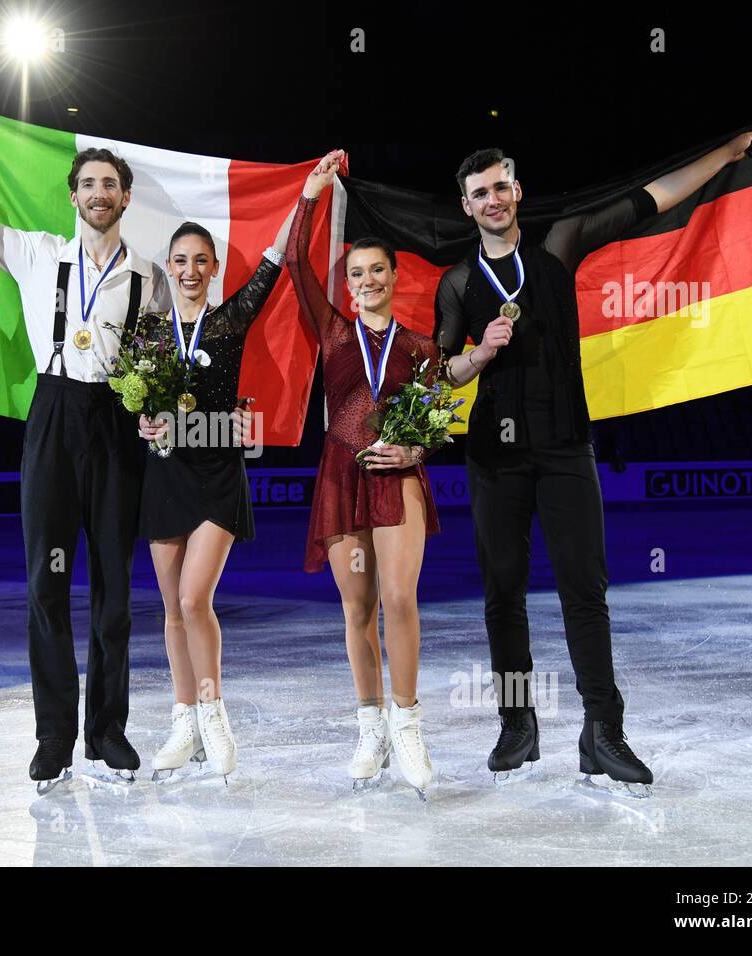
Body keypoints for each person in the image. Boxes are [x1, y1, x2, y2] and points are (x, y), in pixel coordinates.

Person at [436, 123, 752, 793]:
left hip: (564, 447)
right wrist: (480, 352)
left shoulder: (560, 244)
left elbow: (655, 196)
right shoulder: (458, 281)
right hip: (495, 459)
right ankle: (516, 724)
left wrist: (728, 153)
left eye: (503, 186)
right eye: (481, 193)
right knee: (503, 596)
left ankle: (603, 733)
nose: (495, 199)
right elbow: (445, 370)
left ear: (517, 191)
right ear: (467, 207)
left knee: (585, 593)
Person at [0, 97, 169, 790]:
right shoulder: (36, 253)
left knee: (116, 591)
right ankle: (55, 736)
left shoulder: (148, 277)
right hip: (55, 415)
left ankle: (109, 732)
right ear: (73, 196)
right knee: (48, 582)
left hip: (116, 427)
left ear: (125, 197)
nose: (99, 194)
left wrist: (152, 413)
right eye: (88, 184)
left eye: (110, 186)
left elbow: (154, 366)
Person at [286, 150, 441, 798]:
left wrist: (415, 453)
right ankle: (370, 725)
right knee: (359, 609)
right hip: (341, 479)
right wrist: (311, 194)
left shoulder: (420, 348)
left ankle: (408, 723)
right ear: (347, 280)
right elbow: (296, 262)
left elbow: (433, 423)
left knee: (400, 599)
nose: (368, 279)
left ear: (394, 275)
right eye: (358, 271)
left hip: (396, 480)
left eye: (378, 269)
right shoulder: (332, 330)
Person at [137, 216, 289, 782]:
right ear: (169, 267)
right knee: (172, 607)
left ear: (215, 267)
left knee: (194, 599)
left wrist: (310, 193)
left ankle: (214, 713)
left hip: (219, 471)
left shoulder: (228, 323)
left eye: (201, 260)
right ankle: (185, 722)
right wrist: (145, 422)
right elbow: (135, 401)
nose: (191, 270)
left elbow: (274, 263)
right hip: (166, 473)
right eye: (180, 260)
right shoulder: (151, 332)